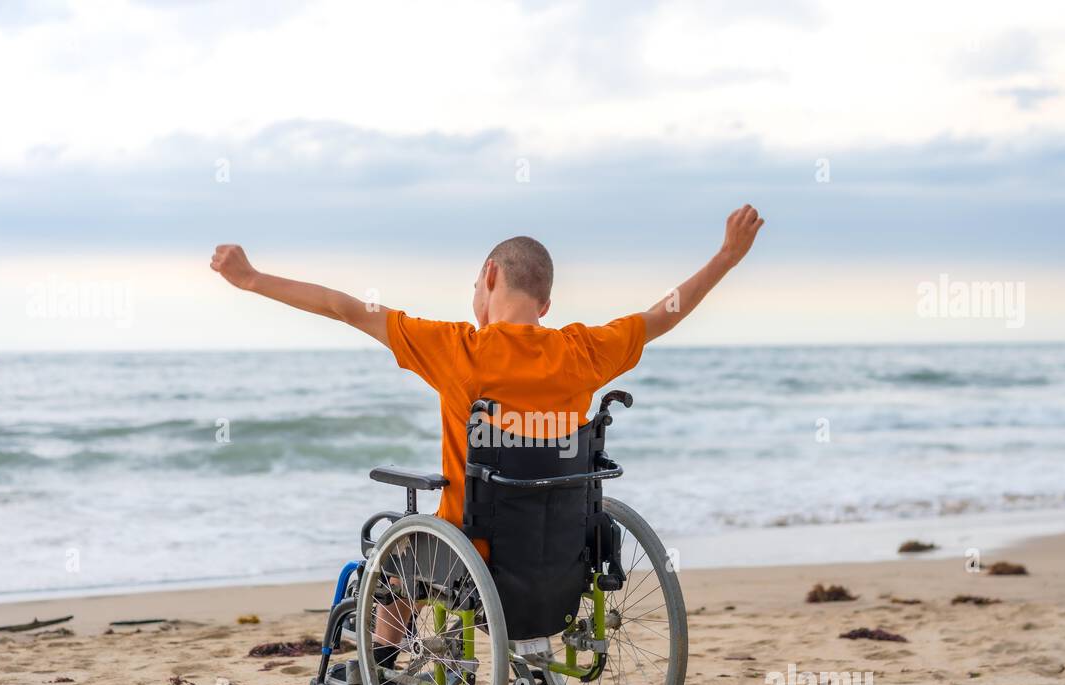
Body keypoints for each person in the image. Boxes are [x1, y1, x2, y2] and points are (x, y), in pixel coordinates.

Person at [211, 204, 764, 654]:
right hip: (561, 554)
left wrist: (252, 279)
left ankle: (383, 670)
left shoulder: (456, 349)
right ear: (546, 303)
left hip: (470, 556)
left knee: (390, 569)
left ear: (491, 276)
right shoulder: (584, 352)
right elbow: (666, 313)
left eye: (476, 283)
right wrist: (727, 257)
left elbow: (345, 308)